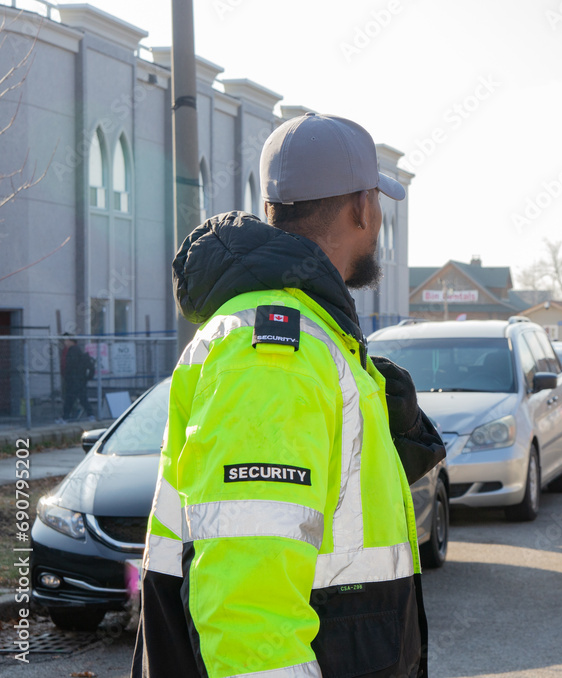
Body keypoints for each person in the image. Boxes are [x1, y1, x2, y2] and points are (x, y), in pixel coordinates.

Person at [132, 114, 444, 678]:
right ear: (362, 208)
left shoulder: (313, 339)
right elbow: (249, 609)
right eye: (377, 206)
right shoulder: (276, 349)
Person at [59, 334, 95, 422]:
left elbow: (71, 366)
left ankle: (66, 418)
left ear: (71, 341)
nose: (65, 342)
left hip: (74, 380)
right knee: (78, 399)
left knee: (72, 399)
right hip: (78, 380)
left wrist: (68, 376)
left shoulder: (73, 351)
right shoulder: (75, 351)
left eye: (66, 340)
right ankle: (90, 415)